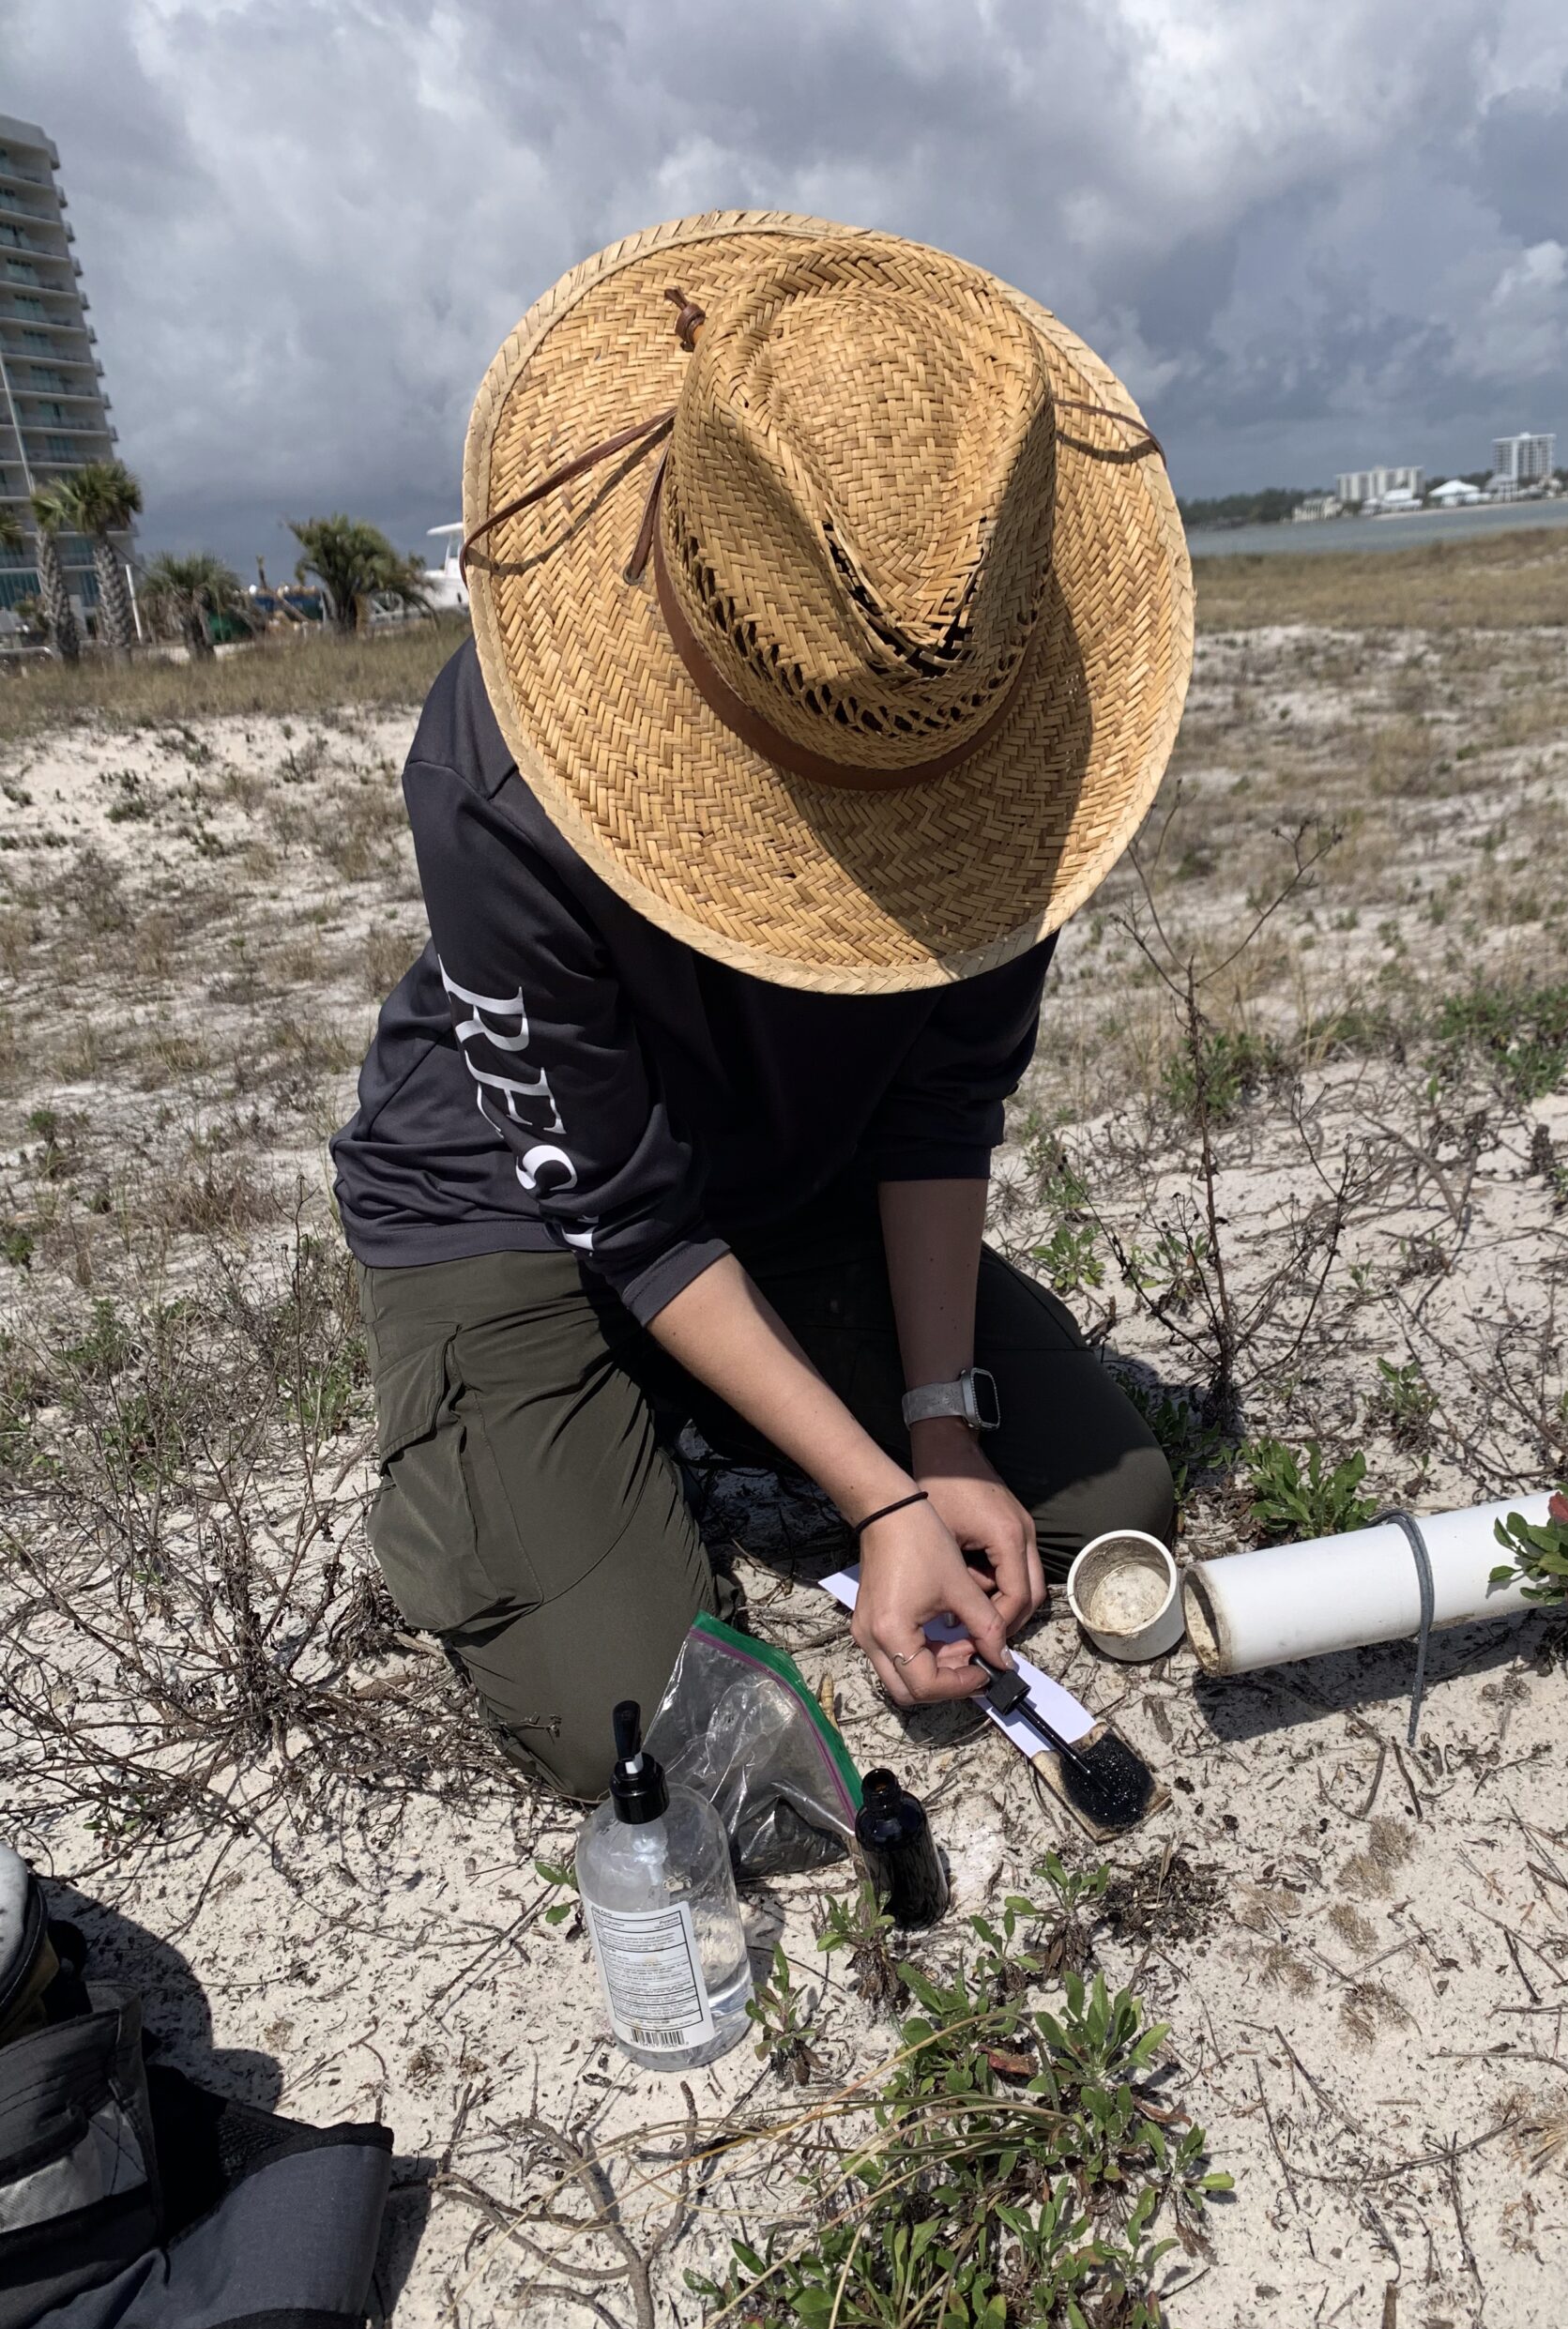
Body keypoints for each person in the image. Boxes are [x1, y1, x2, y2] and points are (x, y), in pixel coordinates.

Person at [330, 212, 1194, 1802]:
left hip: (786, 1192)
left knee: (1106, 1497)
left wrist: (937, 1436)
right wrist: (874, 1505)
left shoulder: (996, 721)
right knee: (641, 1734)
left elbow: (941, 1103)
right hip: (513, 1211)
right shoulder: (498, 783)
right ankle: (584, 1429)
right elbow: (622, 1208)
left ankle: (713, 1411)